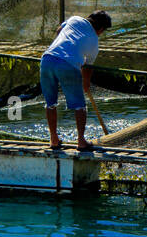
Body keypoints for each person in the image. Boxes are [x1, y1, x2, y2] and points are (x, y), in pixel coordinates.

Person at [40, 10, 110, 152]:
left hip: (47, 59)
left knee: (50, 103)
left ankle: (53, 139)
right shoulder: (95, 42)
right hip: (68, 64)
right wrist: (85, 83)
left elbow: (59, 30)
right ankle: (81, 141)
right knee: (80, 106)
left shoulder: (75, 19)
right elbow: (88, 68)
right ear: (101, 29)